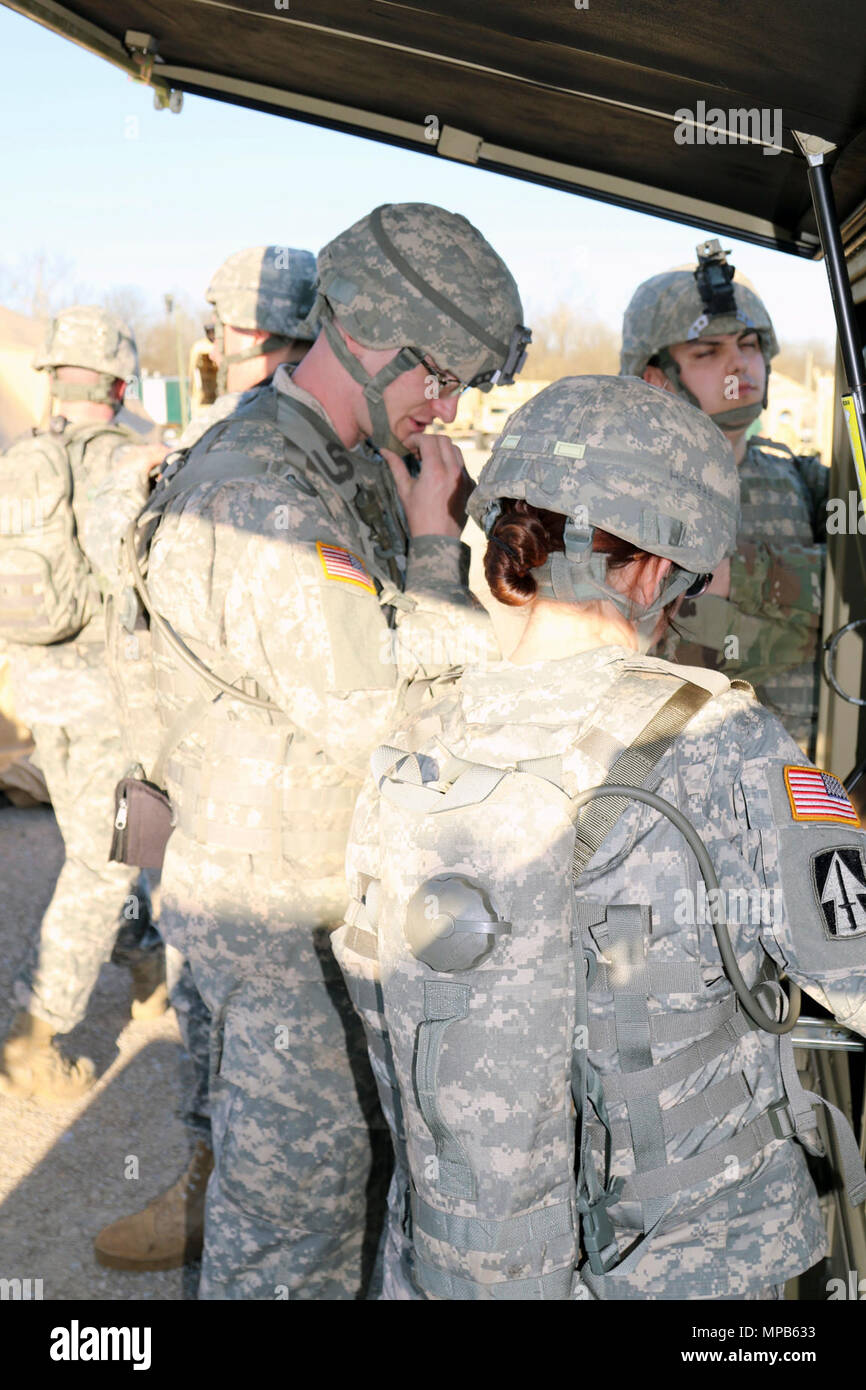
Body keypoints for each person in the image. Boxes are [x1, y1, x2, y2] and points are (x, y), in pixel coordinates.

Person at [334, 374, 866, 1300]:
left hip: (448, 1267)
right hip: (686, 1277)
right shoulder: (719, 741)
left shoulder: (416, 740)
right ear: (663, 568)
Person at [98, 202, 529, 1299]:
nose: (448, 408)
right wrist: (438, 551)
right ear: (374, 338)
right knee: (293, 1213)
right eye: (440, 376)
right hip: (274, 906)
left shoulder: (330, 461)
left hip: (308, 876)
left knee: (330, 1181)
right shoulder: (263, 496)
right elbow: (385, 710)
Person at [90, 245, 318, 1275]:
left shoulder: (234, 447)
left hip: (230, 793)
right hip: (188, 769)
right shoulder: (274, 445)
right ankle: (217, 1181)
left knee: (220, 1005)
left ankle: (215, 1189)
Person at [0, 306, 167, 1105]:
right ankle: (37, 1037)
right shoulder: (123, 462)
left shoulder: (29, 456)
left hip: (41, 693)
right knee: (104, 860)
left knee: (107, 834)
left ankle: (145, 956)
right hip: (107, 696)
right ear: (120, 383)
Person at [620, 239, 828, 758]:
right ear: (656, 379)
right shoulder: (618, 494)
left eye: (750, 343)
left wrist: (738, 578)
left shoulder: (801, 478)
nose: (741, 365)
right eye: (708, 352)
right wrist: (804, 607)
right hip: (683, 799)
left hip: (810, 785)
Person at [178, 245, 317, 449]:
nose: (215, 354)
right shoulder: (359, 412)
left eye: (216, 332)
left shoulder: (225, 423)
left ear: (254, 332)